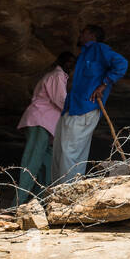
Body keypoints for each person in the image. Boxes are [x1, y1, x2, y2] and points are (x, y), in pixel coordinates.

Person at [53, 24, 128, 185]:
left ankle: (67, 191)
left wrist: (104, 84)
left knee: (70, 152)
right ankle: (55, 190)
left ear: (92, 35)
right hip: (71, 108)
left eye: (83, 32)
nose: (80, 34)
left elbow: (121, 64)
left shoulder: (99, 49)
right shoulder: (83, 54)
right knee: (59, 151)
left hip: (85, 108)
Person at [15, 52, 75, 205]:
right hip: (40, 121)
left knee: (47, 162)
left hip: (47, 125)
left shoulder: (58, 76)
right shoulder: (57, 75)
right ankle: (18, 201)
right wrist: (77, 112)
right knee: (33, 160)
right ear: (68, 63)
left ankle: (42, 199)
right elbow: (60, 100)